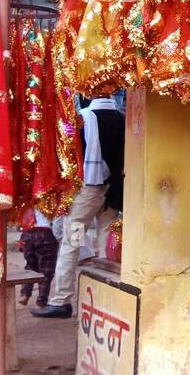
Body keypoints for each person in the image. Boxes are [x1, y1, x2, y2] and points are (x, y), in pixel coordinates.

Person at [32, 94, 125, 318]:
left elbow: (70, 158)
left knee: (72, 240)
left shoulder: (83, 118)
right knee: (105, 242)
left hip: (88, 190)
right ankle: (107, 301)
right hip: (114, 190)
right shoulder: (122, 118)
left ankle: (61, 299)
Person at [17, 207, 60, 307]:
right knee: (46, 271)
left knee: (30, 266)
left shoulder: (26, 199)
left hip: (27, 233)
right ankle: (41, 301)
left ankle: (25, 294)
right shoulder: (49, 197)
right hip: (46, 234)